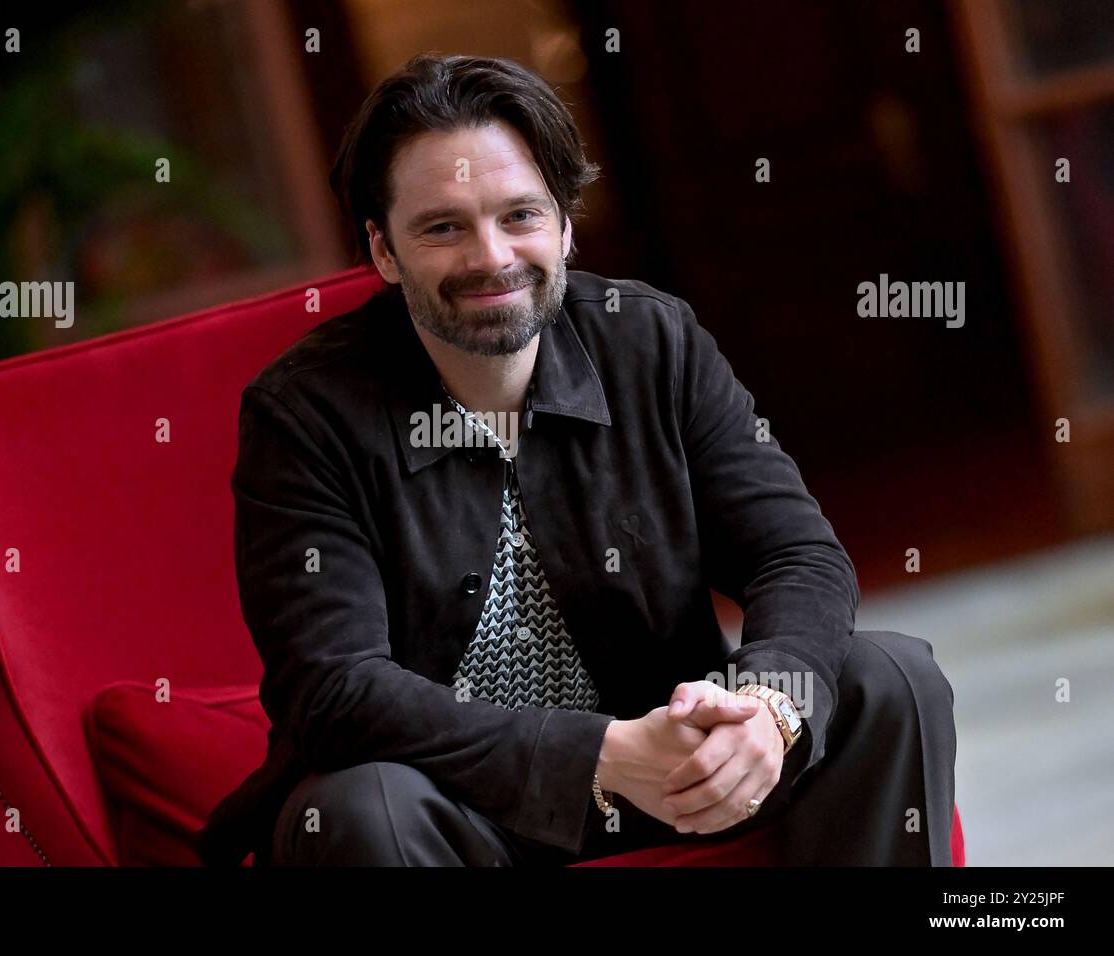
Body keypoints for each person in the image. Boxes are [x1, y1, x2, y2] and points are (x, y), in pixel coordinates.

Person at [196, 53, 956, 867]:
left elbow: (797, 554)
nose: (491, 257)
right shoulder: (304, 415)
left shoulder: (650, 340)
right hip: (458, 812)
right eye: (443, 227)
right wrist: (595, 752)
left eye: (519, 215)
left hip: (671, 766)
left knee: (891, 676)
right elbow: (335, 690)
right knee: (362, 804)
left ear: (564, 224)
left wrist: (766, 702)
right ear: (383, 250)